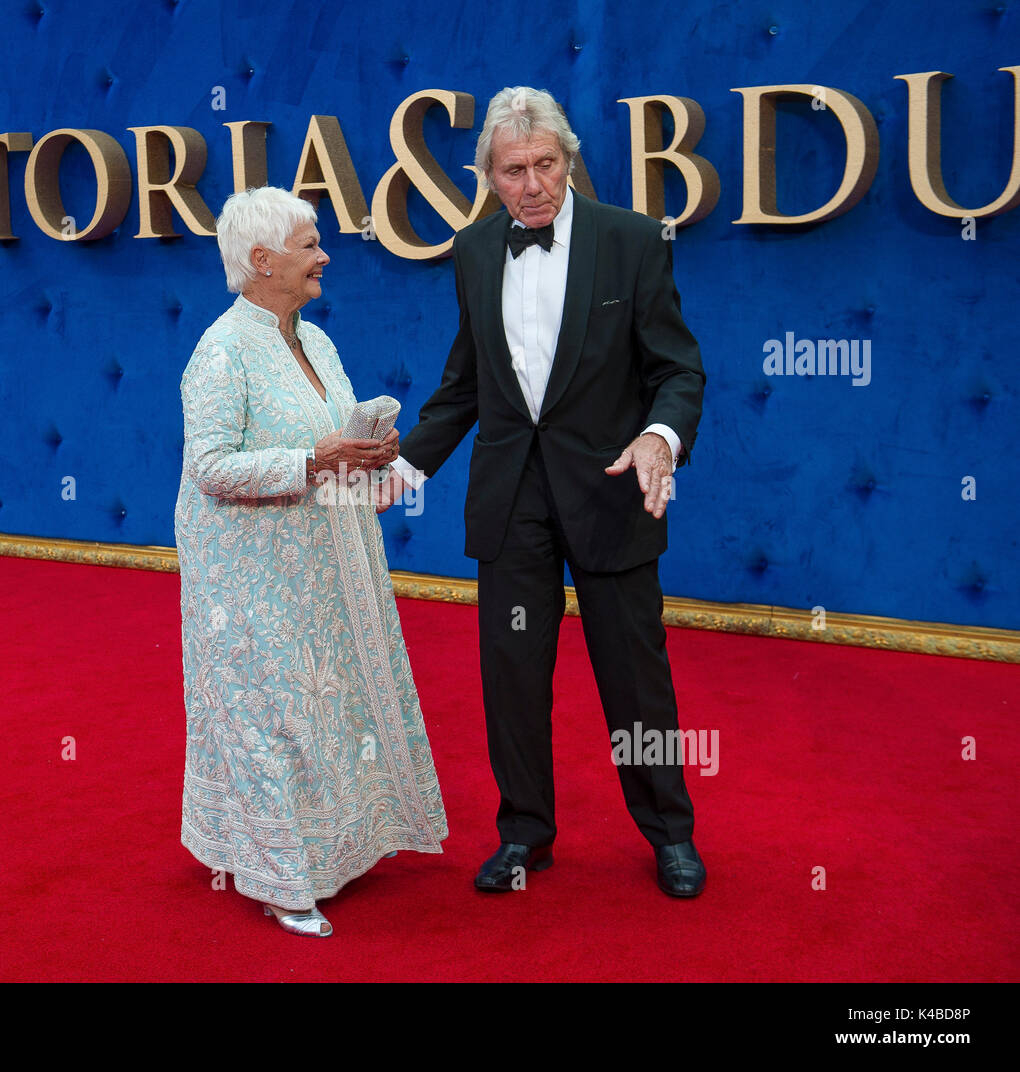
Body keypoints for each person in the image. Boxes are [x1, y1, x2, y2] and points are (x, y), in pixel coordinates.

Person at [378, 87, 708, 897]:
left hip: (609, 489)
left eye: (547, 165)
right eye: (514, 170)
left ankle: (670, 834)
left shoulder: (630, 242)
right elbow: (464, 387)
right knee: (512, 675)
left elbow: (677, 369)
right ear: (487, 176)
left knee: (636, 680)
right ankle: (525, 835)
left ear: (569, 162)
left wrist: (657, 438)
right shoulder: (474, 250)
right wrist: (402, 469)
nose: (533, 184)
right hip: (512, 498)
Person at [175, 186, 448, 937]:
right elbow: (210, 468)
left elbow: (332, 442)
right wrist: (312, 456)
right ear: (262, 260)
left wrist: (368, 450)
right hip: (248, 575)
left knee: (324, 707)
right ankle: (279, 876)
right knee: (271, 715)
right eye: (310, 244)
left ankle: (331, 845)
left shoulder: (317, 340)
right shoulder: (220, 351)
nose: (325, 254)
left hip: (325, 566)